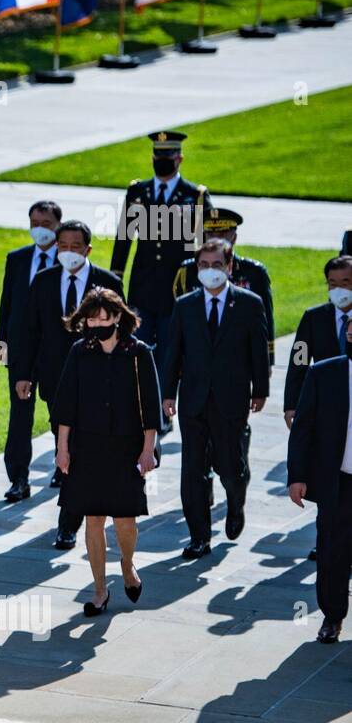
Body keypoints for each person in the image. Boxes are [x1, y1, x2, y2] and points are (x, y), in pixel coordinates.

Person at [12, 220, 123, 548]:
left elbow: (123, 335)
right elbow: (29, 330)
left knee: (76, 449)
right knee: (65, 439)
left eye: (76, 247)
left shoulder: (107, 282)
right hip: (54, 380)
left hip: (97, 383)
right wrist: (23, 374)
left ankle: (68, 523)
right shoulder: (43, 281)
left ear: (88, 249)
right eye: (63, 246)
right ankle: (72, 495)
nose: (69, 252)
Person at [53, 289, 161, 615]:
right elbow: (66, 406)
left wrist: (148, 450)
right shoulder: (79, 352)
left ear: (117, 316)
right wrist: (62, 450)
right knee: (94, 519)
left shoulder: (138, 353)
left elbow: (150, 407)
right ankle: (100, 591)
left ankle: (127, 565)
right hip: (86, 448)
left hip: (126, 449)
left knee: (125, 521)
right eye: (91, 318)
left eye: (104, 317)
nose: (97, 324)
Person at [160, 239, 270, 559]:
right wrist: (168, 393)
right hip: (194, 400)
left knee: (229, 467)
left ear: (230, 267)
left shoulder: (249, 304)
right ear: (197, 269)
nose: (210, 271)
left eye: (217, 265)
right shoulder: (185, 306)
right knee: (193, 469)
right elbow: (173, 354)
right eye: (204, 266)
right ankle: (199, 537)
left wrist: (260, 390)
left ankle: (235, 504)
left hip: (231, 399)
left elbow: (257, 352)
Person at [109, 131, 212, 368]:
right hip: (143, 286)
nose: (161, 160)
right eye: (158, 155)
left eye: (168, 155)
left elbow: (203, 243)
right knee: (136, 349)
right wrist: (116, 277)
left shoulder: (194, 196)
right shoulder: (138, 191)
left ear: (180, 159)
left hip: (176, 287)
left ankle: (165, 401)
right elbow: (124, 237)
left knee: (170, 352)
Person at [287, 324, 352, 643]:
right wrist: (297, 476)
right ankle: (332, 616)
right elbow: (303, 429)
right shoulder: (325, 374)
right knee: (332, 552)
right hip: (338, 482)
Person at [0, 201, 62, 502]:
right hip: (22, 351)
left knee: (60, 413)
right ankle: (18, 478)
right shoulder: (18, 259)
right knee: (20, 416)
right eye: (35, 222)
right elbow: (6, 306)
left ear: (58, 225)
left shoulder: (67, 259)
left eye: (46, 223)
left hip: (55, 353)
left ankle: (64, 464)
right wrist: (2, 345)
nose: (40, 229)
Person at [172, 208, 274, 368]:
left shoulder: (254, 272)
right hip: (197, 356)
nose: (216, 239)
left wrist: (267, 359)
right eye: (211, 233)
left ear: (234, 237)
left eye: (223, 233)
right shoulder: (188, 272)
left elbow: (265, 318)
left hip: (239, 355)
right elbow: (178, 321)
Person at [285, 255, 352, 428]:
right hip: (325, 403)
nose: (339, 290)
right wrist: (292, 404)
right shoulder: (313, 318)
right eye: (333, 283)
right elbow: (298, 363)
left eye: (345, 283)